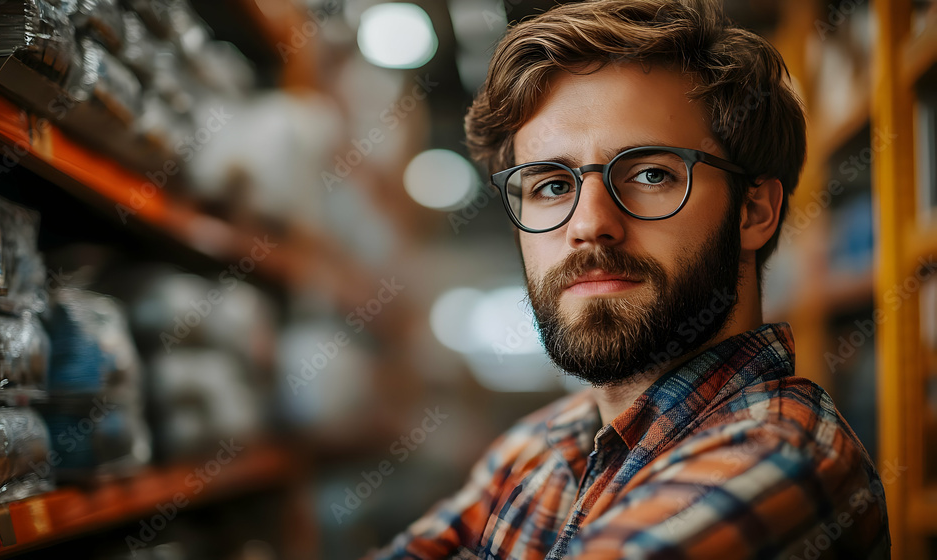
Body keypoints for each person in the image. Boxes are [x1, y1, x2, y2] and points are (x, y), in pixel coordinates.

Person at [369, 0, 891, 558]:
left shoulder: (782, 459)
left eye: (650, 174)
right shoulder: (543, 442)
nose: (590, 224)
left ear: (753, 211)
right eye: (551, 185)